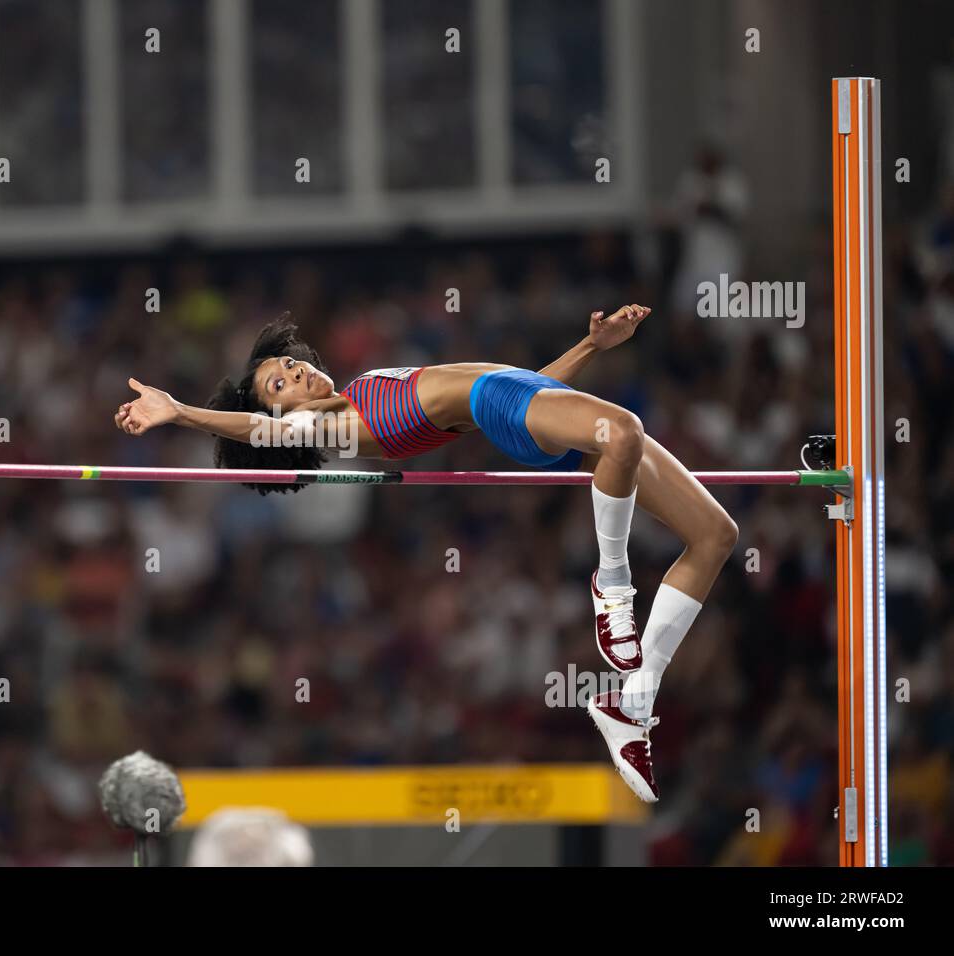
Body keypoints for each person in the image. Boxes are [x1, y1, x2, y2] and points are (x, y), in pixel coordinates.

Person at [114, 307, 738, 802]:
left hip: (516, 399)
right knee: (622, 430)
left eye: (287, 364)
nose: (295, 373)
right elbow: (256, 430)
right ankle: (613, 588)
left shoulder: (359, 392)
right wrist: (183, 414)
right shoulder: (334, 426)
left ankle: (633, 703)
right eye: (279, 386)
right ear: (285, 419)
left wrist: (591, 348)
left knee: (715, 535)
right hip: (506, 405)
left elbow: (528, 395)